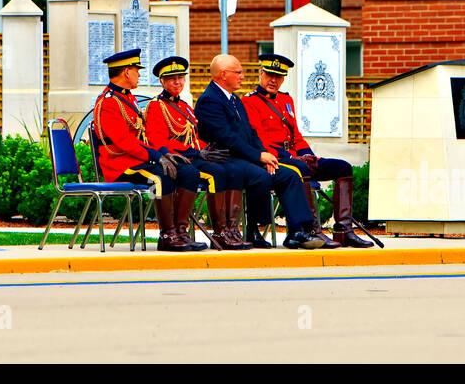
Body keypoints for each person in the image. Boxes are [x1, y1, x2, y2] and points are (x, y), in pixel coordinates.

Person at [193, 53, 326, 250]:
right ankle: (253, 228)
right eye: (238, 72)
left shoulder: (234, 99)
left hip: (243, 156)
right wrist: (258, 156)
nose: (242, 77)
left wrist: (265, 155)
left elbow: (250, 133)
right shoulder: (209, 100)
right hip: (224, 158)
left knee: (288, 175)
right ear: (223, 74)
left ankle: (298, 231)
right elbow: (227, 138)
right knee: (260, 176)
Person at [242, 54, 375, 248]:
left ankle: (344, 231)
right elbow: (260, 140)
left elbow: (295, 134)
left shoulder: (286, 100)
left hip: (296, 156)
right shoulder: (250, 102)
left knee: (343, 168)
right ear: (261, 74)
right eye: (269, 75)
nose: (273, 80)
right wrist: (292, 157)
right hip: (275, 159)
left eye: (278, 76)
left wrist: (307, 154)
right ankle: (310, 230)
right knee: (301, 168)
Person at [92, 48, 206, 252]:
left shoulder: (128, 99)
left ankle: (181, 232)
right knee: (161, 177)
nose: (139, 74)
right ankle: (167, 235)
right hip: (120, 165)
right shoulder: (109, 102)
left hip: (139, 160)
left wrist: (163, 154)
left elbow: (142, 136)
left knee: (189, 172)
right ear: (126, 72)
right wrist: (157, 157)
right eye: (137, 70)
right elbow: (124, 142)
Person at [143, 56, 251, 251]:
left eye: (180, 78)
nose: (177, 82)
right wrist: (197, 152)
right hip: (180, 158)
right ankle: (188, 232)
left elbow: (193, 136)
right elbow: (158, 141)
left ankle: (226, 231)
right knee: (215, 173)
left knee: (229, 168)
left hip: (192, 156)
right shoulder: (157, 106)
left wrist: (206, 149)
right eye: (171, 79)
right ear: (162, 82)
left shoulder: (184, 106)